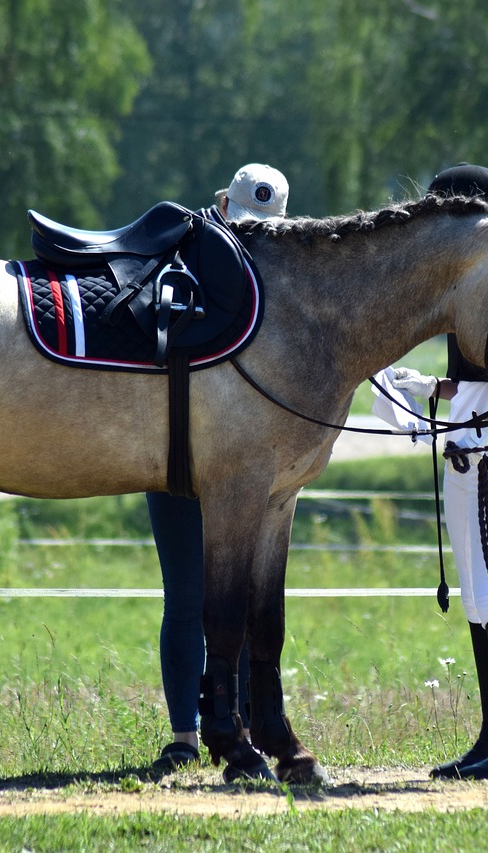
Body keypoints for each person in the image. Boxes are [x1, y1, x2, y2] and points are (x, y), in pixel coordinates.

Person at [377, 164, 488, 780]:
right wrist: (434, 389)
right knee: (478, 597)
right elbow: (478, 379)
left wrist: (487, 421)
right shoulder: (473, 287)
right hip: (473, 432)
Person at [148, 163, 290, 773]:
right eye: (244, 221)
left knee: (246, 601)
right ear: (224, 208)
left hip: (247, 464)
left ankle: (238, 727)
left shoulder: (287, 287)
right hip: (179, 455)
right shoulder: (181, 262)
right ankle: (183, 735)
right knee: (186, 599)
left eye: (265, 226)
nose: (251, 235)